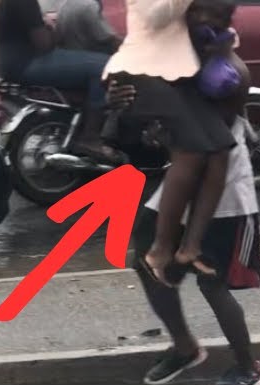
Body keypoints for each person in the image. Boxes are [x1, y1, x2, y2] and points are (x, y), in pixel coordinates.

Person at [112, 13, 260, 385]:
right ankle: (184, 346)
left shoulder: (230, 74)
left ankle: (249, 367)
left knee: (212, 282)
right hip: (181, 182)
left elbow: (202, 144)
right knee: (145, 258)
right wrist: (126, 102)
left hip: (225, 192)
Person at [104, 0, 237, 285]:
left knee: (220, 151)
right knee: (192, 152)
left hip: (177, 76)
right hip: (140, 72)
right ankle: (159, 251)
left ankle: (190, 249)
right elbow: (154, 16)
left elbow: (217, 24)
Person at [0, 0, 123, 163]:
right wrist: (51, 28)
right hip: (28, 64)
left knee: (87, 61)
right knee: (104, 66)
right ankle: (90, 137)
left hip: (10, 64)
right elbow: (44, 44)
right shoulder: (26, 3)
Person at [55, 0, 121, 54]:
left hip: (69, 53)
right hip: (86, 54)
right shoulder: (89, 5)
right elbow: (107, 37)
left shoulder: (63, 3)